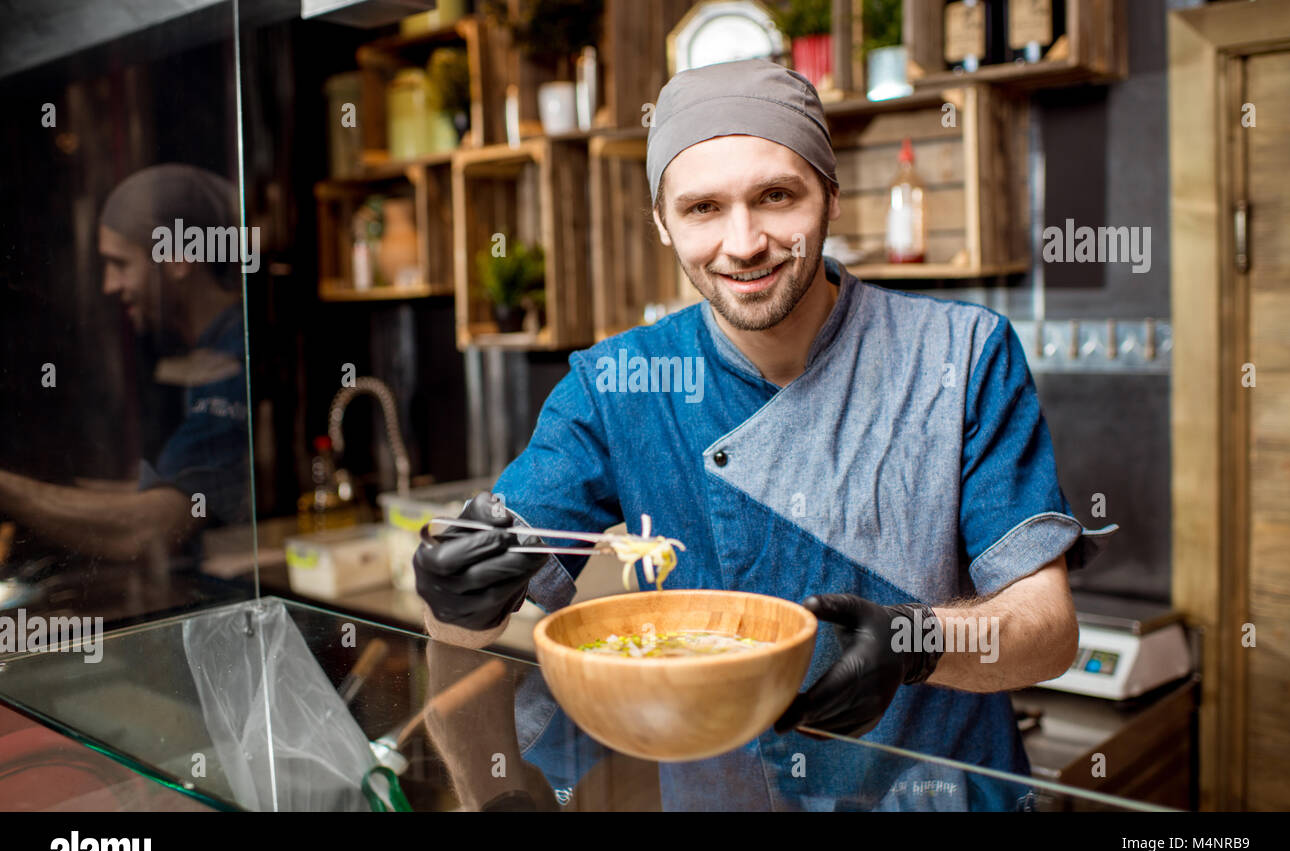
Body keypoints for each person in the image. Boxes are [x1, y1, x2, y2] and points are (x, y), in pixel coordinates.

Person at [414, 59, 1114, 811]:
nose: (744, 243)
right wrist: (454, 589)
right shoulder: (615, 385)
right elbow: (464, 624)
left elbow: (1048, 630)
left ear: (832, 194)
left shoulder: (962, 355)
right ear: (661, 221)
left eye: (776, 196)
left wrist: (915, 642)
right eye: (703, 208)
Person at [0, 164, 249, 567]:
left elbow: (152, 527)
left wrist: (11, 492)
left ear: (178, 260)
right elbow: (162, 489)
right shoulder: (207, 349)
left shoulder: (231, 359)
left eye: (120, 264)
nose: (109, 285)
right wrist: (37, 493)